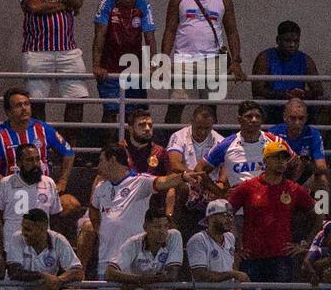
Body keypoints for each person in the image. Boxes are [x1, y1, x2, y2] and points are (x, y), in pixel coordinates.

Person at [77, 143, 190, 277]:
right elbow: (93, 210)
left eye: (101, 160)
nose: (98, 166)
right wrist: (100, 230)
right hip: (105, 261)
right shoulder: (101, 187)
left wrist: (183, 177)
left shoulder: (140, 181)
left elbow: (164, 181)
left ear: (112, 160)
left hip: (134, 263)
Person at [161, 0, 244, 126]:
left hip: (213, 60)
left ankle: (211, 149)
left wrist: (235, 61)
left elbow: (232, 32)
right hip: (183, 59)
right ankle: (169, 148)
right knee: (176, 106)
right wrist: (164, 58)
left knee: (210, 108)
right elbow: (169, 30)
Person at [228, 139, 316, 290]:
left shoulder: (294, 189)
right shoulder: (248, 187)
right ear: (265, 160)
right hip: (252, 257)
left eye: (284, 158)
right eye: (276, 157)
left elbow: (318, 213)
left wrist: (305, 243)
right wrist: (235, 245)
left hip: (281, 259)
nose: (281, 162)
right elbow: (227, 211)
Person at [17, 0, 87, 127]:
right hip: (37, 50)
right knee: (36, 103)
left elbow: (78, 1)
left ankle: (69, 148)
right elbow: (34, 6)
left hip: (68, 50)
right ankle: (41, 148)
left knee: (77, 98)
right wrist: (65, 4)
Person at [0, 87, 78, 215]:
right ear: (8, 112)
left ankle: (50, 233)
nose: (24, 108)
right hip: (13, 191)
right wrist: (8, 188)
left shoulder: (43, 129)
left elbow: (69, 153)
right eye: (18, 105)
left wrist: (62, 181)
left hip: (42, 190)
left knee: (71, 203)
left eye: (26, 104)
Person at [92, 0, 156, 126]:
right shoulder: (107, 3)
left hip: (134, 68)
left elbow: (150, 38)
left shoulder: (143, 5)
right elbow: (99, 35)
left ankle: (132, 149)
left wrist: (153, 66)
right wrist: (96, 65)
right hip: (110, 66)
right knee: (111, 112)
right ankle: (108, 149)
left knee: (136, 114)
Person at [0, 143, 63, 251]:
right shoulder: (6, 183)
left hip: (41, 247)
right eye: (30, 160)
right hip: (11, 247)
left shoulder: (49, 183)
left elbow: (55, 217)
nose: (36, 164)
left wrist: (54, 247)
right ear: (19, 163)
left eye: (37, 159)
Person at [197, 101, 286, 191]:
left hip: (268, 197)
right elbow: (199, 169)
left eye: (257, 116)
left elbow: (296, 164)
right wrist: (219, 193)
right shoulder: (226, 144)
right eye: (249, 116)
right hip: (238, 200)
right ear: (239, 119)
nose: (254, 120)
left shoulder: (274, 141)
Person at [167, 103, 224, 240]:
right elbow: (174, 163)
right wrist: (194, 175)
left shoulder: (220, 141)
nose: (203, 132)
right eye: (199, 128)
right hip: (187, 180)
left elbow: (225, 166)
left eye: (207, 128)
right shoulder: (179, 136)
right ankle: (175, 230)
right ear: (191, 122)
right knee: (179, 188)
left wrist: (221, 182)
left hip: (209, 184)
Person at [1, 208, 84, 290]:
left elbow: (78, 271)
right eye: (23, 228)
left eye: (28, 229)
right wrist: (43, 276)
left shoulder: (58, 240)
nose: (24, 233)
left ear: (43, 228)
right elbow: (14, 272)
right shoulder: (17, 238)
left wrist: (58, 281)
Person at [252, 22, 325, 125]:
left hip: (298, 105)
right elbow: (257, 90)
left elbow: (318, 90)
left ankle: (320, 139)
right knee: (258, 102)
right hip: (273, 106)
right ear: (278, 40)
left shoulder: (305, 60)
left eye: (296, 41)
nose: (292, 45)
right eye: (288, 41)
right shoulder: (265, 57)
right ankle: (258, 139)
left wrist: (303, 94)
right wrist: (283, 94)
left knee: (324, 101)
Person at [105, 207, 184, 290]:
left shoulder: (174, 236)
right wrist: (140, 279)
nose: (163, 231)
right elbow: (109, 273)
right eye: (157, 227)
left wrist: (140, 281)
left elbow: (172, 275)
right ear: (145, 227)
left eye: (166, 226)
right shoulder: (133, 243)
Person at [267, 98, 329, 196]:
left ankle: (321, 211)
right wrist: (289, 163)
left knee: (322, 180)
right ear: (285, 117)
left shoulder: (313, 134)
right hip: (281, 174)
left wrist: (303, 163)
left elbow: (321, 167)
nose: (297, 123)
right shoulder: (274, 133)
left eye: (301, 118)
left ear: (306, 118)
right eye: (293, 118)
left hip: (303, 177)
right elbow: (267, 164)